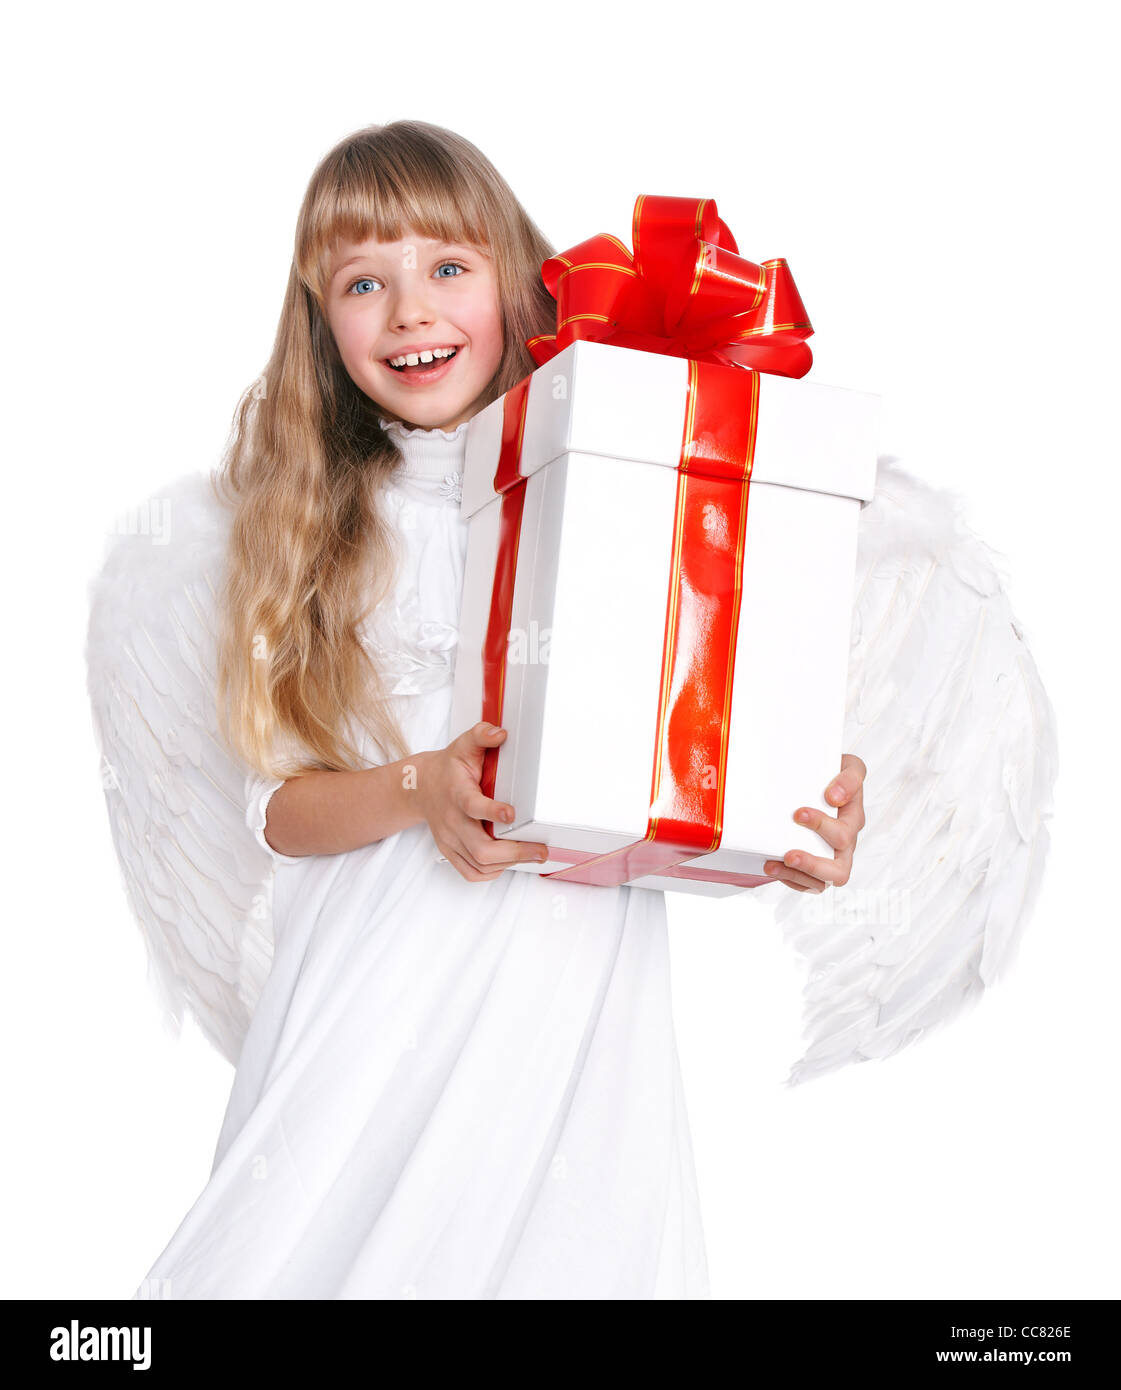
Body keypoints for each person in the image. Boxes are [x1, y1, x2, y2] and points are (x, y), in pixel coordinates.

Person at [88, 120, 869, 1300]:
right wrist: (419, 787)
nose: (410, 312)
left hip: (573, 988)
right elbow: (276, 813)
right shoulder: (313, 526)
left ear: (513, 276)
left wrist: (782, 809)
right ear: (320, 321)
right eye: (365, 281)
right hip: (381, 980)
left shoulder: (619, 484)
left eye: (447, 268)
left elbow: (659, 737)